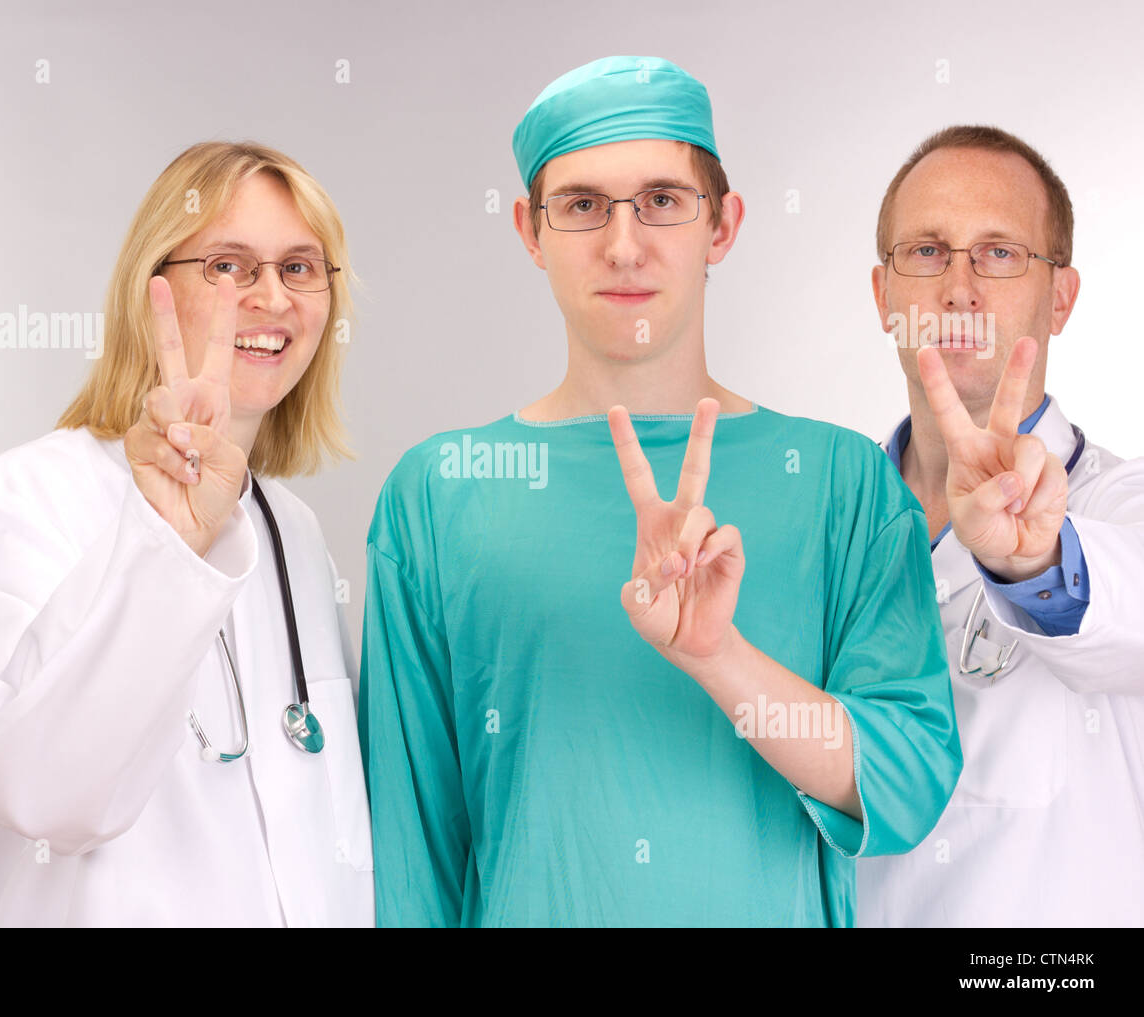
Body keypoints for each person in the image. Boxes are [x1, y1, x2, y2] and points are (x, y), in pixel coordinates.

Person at [358, 55, 961, 927]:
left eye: (663, 201)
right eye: (582, 206)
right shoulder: (439, 495)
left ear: (722, 225)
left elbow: (907, 784)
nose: (624, 243)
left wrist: (717, 655)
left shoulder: (843, 482)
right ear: (530, 230)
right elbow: (409, 864)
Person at [0, 141, 374, 926]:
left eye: (299, 267)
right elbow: (46, 793)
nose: (272, 299)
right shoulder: (20, 503)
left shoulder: (292, 532)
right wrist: (161, 545)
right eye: (228, 266)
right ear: (152, 287)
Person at [856, 125, 1144, 927]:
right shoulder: (832, 524)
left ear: (1062, 297)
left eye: (1000, 253)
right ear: (883, 296)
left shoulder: (1118, 506)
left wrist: (1034, 561)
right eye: (925, 251)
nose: (958, 288)